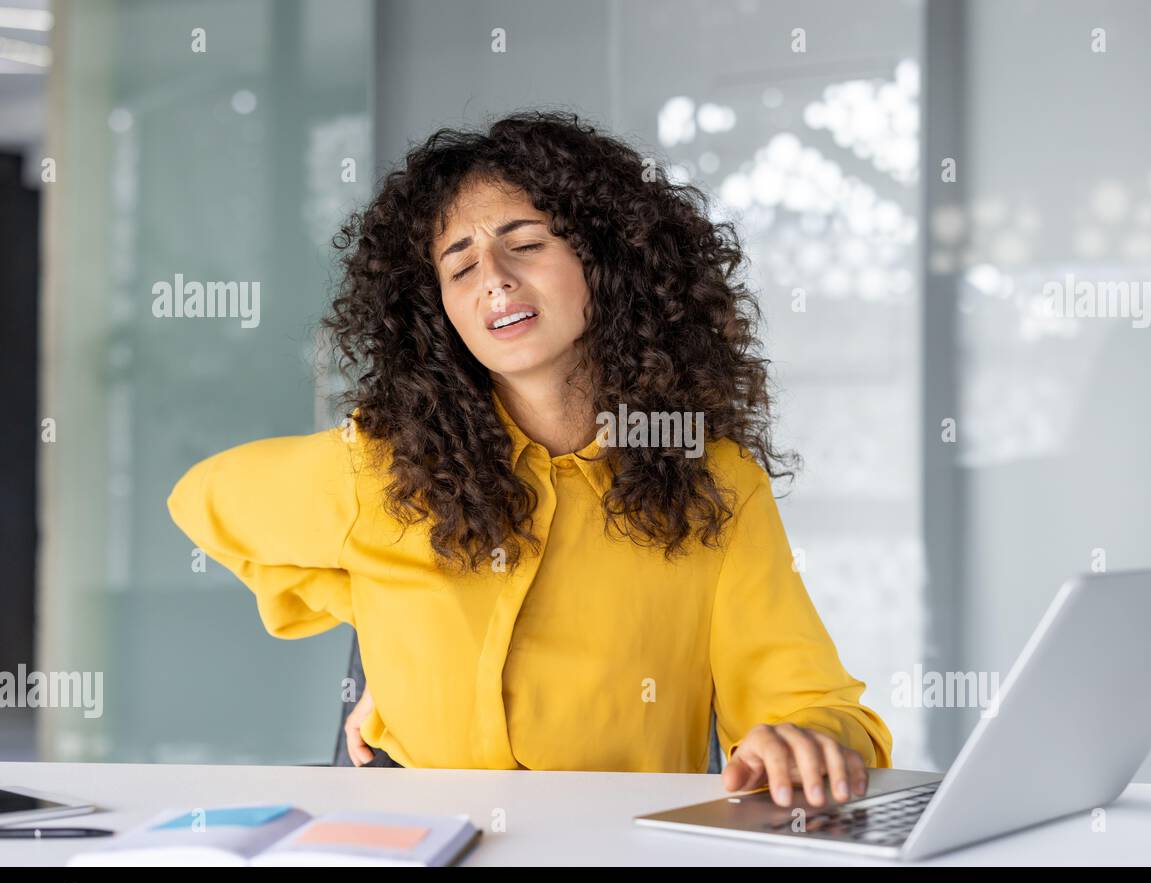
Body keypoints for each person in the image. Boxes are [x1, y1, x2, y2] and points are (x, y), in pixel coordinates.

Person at [167, 110, 892, 808]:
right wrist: (394, 627)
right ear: (440, 313)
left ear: (606, 259)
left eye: (526, 242)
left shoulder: (713, 480)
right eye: (460, 264)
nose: (494, 276)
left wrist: (813, 737)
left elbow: (810, 702)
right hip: (417, 841)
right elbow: (203, 500)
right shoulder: (382, 465)